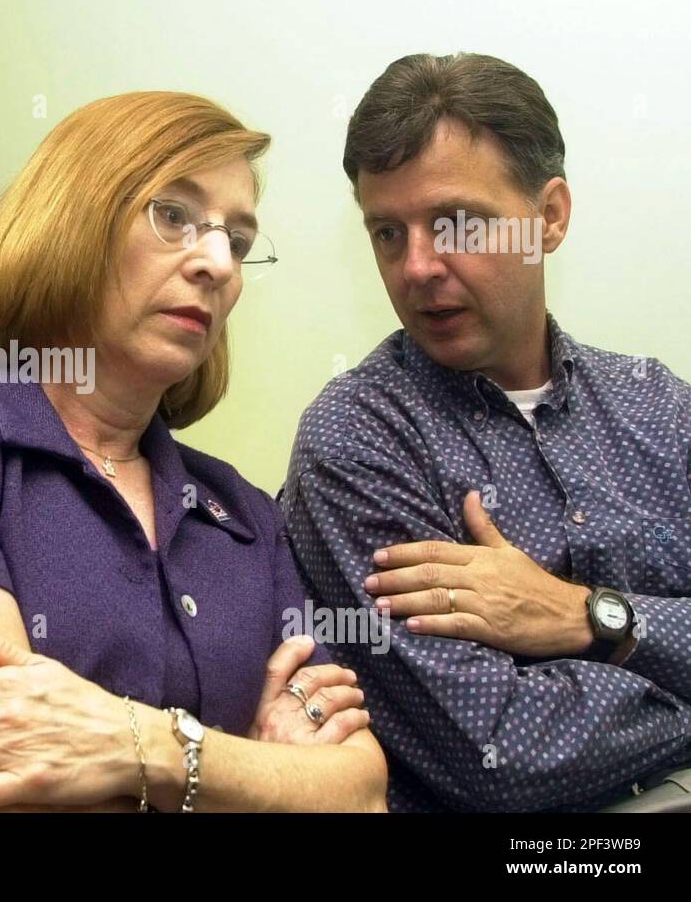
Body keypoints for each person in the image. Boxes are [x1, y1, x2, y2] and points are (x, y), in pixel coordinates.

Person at [0, 92, 388, 812]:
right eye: (174, 217)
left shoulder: (242, 512)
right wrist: (252, 771)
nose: (220, 263)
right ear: (70, 222)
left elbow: (359, 792)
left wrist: (142, 747)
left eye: (241, 241)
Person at [282, 53, 691, 811]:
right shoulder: (359, 440)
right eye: (386, 234)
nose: (418, 267)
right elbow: (497, 755)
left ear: (550, 217)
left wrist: (584, 617)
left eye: (455, 224)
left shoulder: (659, 407)